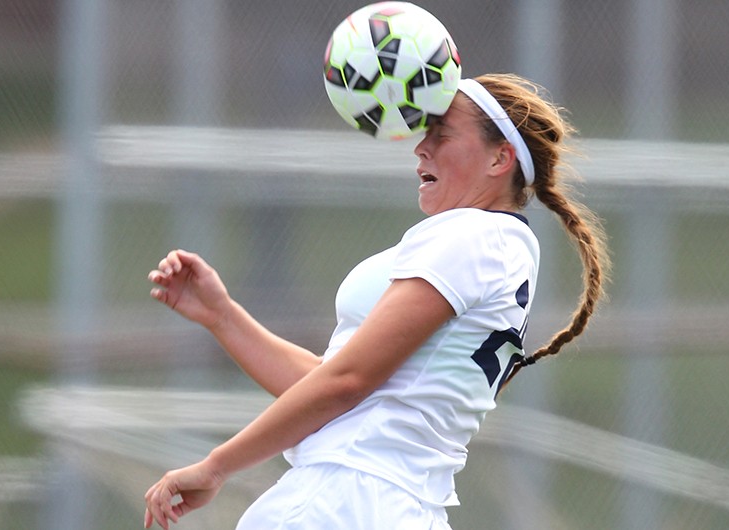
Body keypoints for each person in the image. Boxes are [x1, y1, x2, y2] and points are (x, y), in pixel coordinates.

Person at [143, 73, 610, 529]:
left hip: (342, 502)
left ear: (499, 158)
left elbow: (346, 383)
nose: (421, 147)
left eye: (441, 134)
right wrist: (222, 316)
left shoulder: (472, 236)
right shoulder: (497, 245)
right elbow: (328, 384)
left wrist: (218, 465)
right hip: (396, 507)